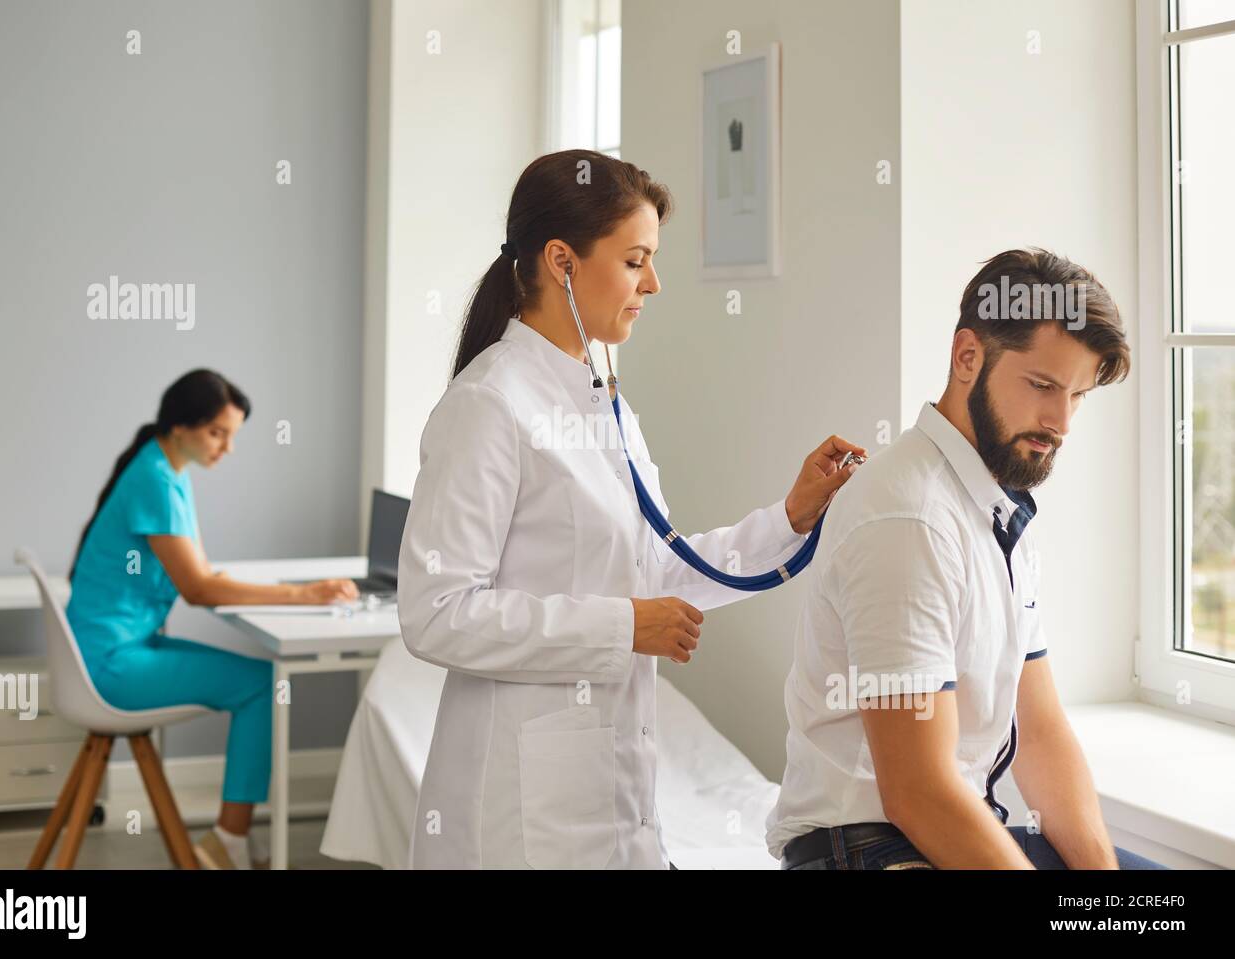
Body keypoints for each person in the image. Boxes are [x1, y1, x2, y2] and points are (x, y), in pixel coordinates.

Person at [398, 149, 865, 869]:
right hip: (518, 814)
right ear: (562, 261)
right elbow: (435, 612)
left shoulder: (601, 399)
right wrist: (622, 625)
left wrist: (791, 516)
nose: (654, 282)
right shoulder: (488, 405)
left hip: (610, 795)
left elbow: (655, 568)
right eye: (635, 259)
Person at [765, 248, 1163, 869]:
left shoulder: (998, 505)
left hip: (954, 832)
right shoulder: (908, 518)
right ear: (967, 357)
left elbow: (1038, 732)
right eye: (1043, 386)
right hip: (869, 849)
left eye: (1078, 396)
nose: (1061, 421)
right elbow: (917, 793)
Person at [65, 368, 358, 869]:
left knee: (261, 681)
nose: (227, 448)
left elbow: (198, 573)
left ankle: (231, 840)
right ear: (181, 425)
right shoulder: (157, 480)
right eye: (217, 433)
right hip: (110, 665)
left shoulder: (164, 469)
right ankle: (229, 841)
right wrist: (304, 594)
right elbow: (199, 589)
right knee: (263, 685)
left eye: (232, 436)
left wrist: (288, 592)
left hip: (117, 648)